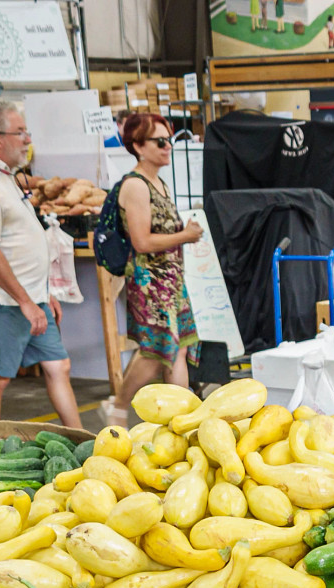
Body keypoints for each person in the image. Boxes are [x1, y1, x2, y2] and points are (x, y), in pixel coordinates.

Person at [0, 100, 80, 429]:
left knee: (58, 366)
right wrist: (26, 301)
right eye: (20, 132)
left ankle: (84, 441)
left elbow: (21, 243)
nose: (27, 139)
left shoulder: (4, 176)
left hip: (31, 298)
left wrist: (43, 293)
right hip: (1, 302)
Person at [114, 113, 203, 414]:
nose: (168, 146)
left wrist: (183, 233)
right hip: (151, 284)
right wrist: (185, 236)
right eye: (160, 141)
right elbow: (142, 242)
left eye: (169, 140)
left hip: (171, 282)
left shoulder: (158, 182)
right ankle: (118, 407)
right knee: (156, 352)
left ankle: (183, 415)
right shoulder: (136, 186)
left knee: (178, 349)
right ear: (138, 146)